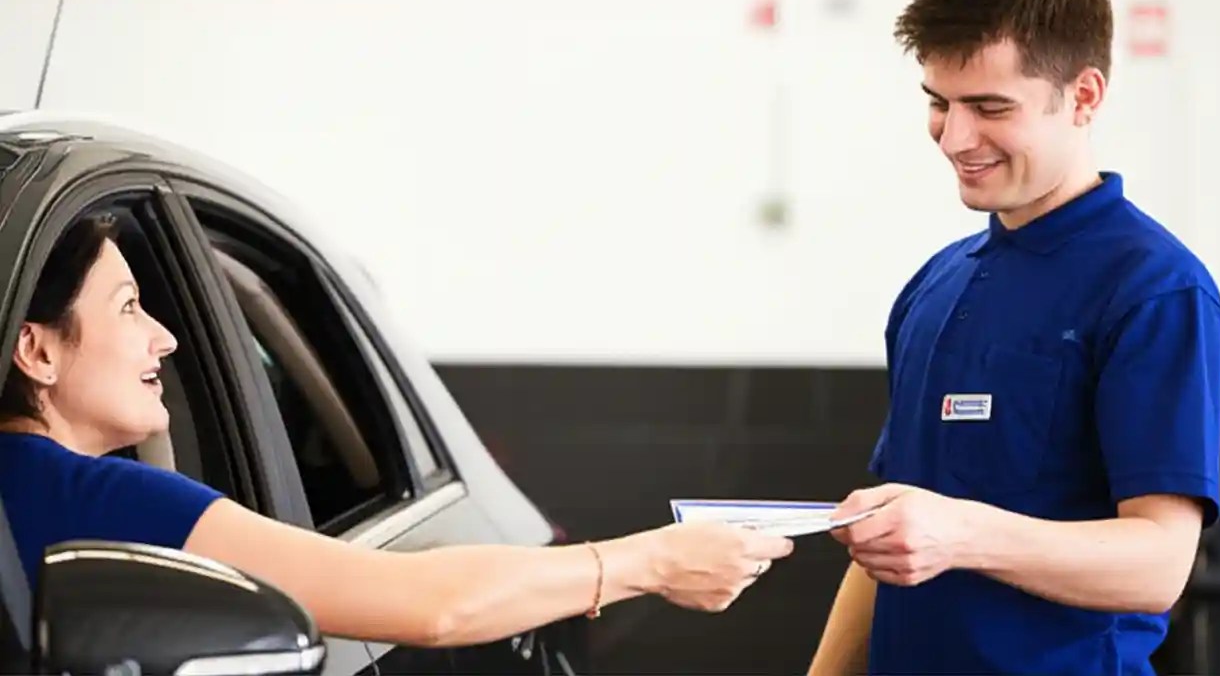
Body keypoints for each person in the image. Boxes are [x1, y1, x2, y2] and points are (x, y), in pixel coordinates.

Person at [0, 211, 794, 649]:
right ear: (35, 349)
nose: (165, 338)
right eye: (129, 308)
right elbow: (435, 606)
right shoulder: (95, 501)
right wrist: (653, 560)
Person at [808, 0, 1220, 674]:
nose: (953, 138)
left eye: (990, 108)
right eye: (939, 102)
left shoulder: (1156, 290)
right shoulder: (935, 285)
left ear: (1084, 96)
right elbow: (890, 541)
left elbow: (1158, 564)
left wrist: (957, 534)